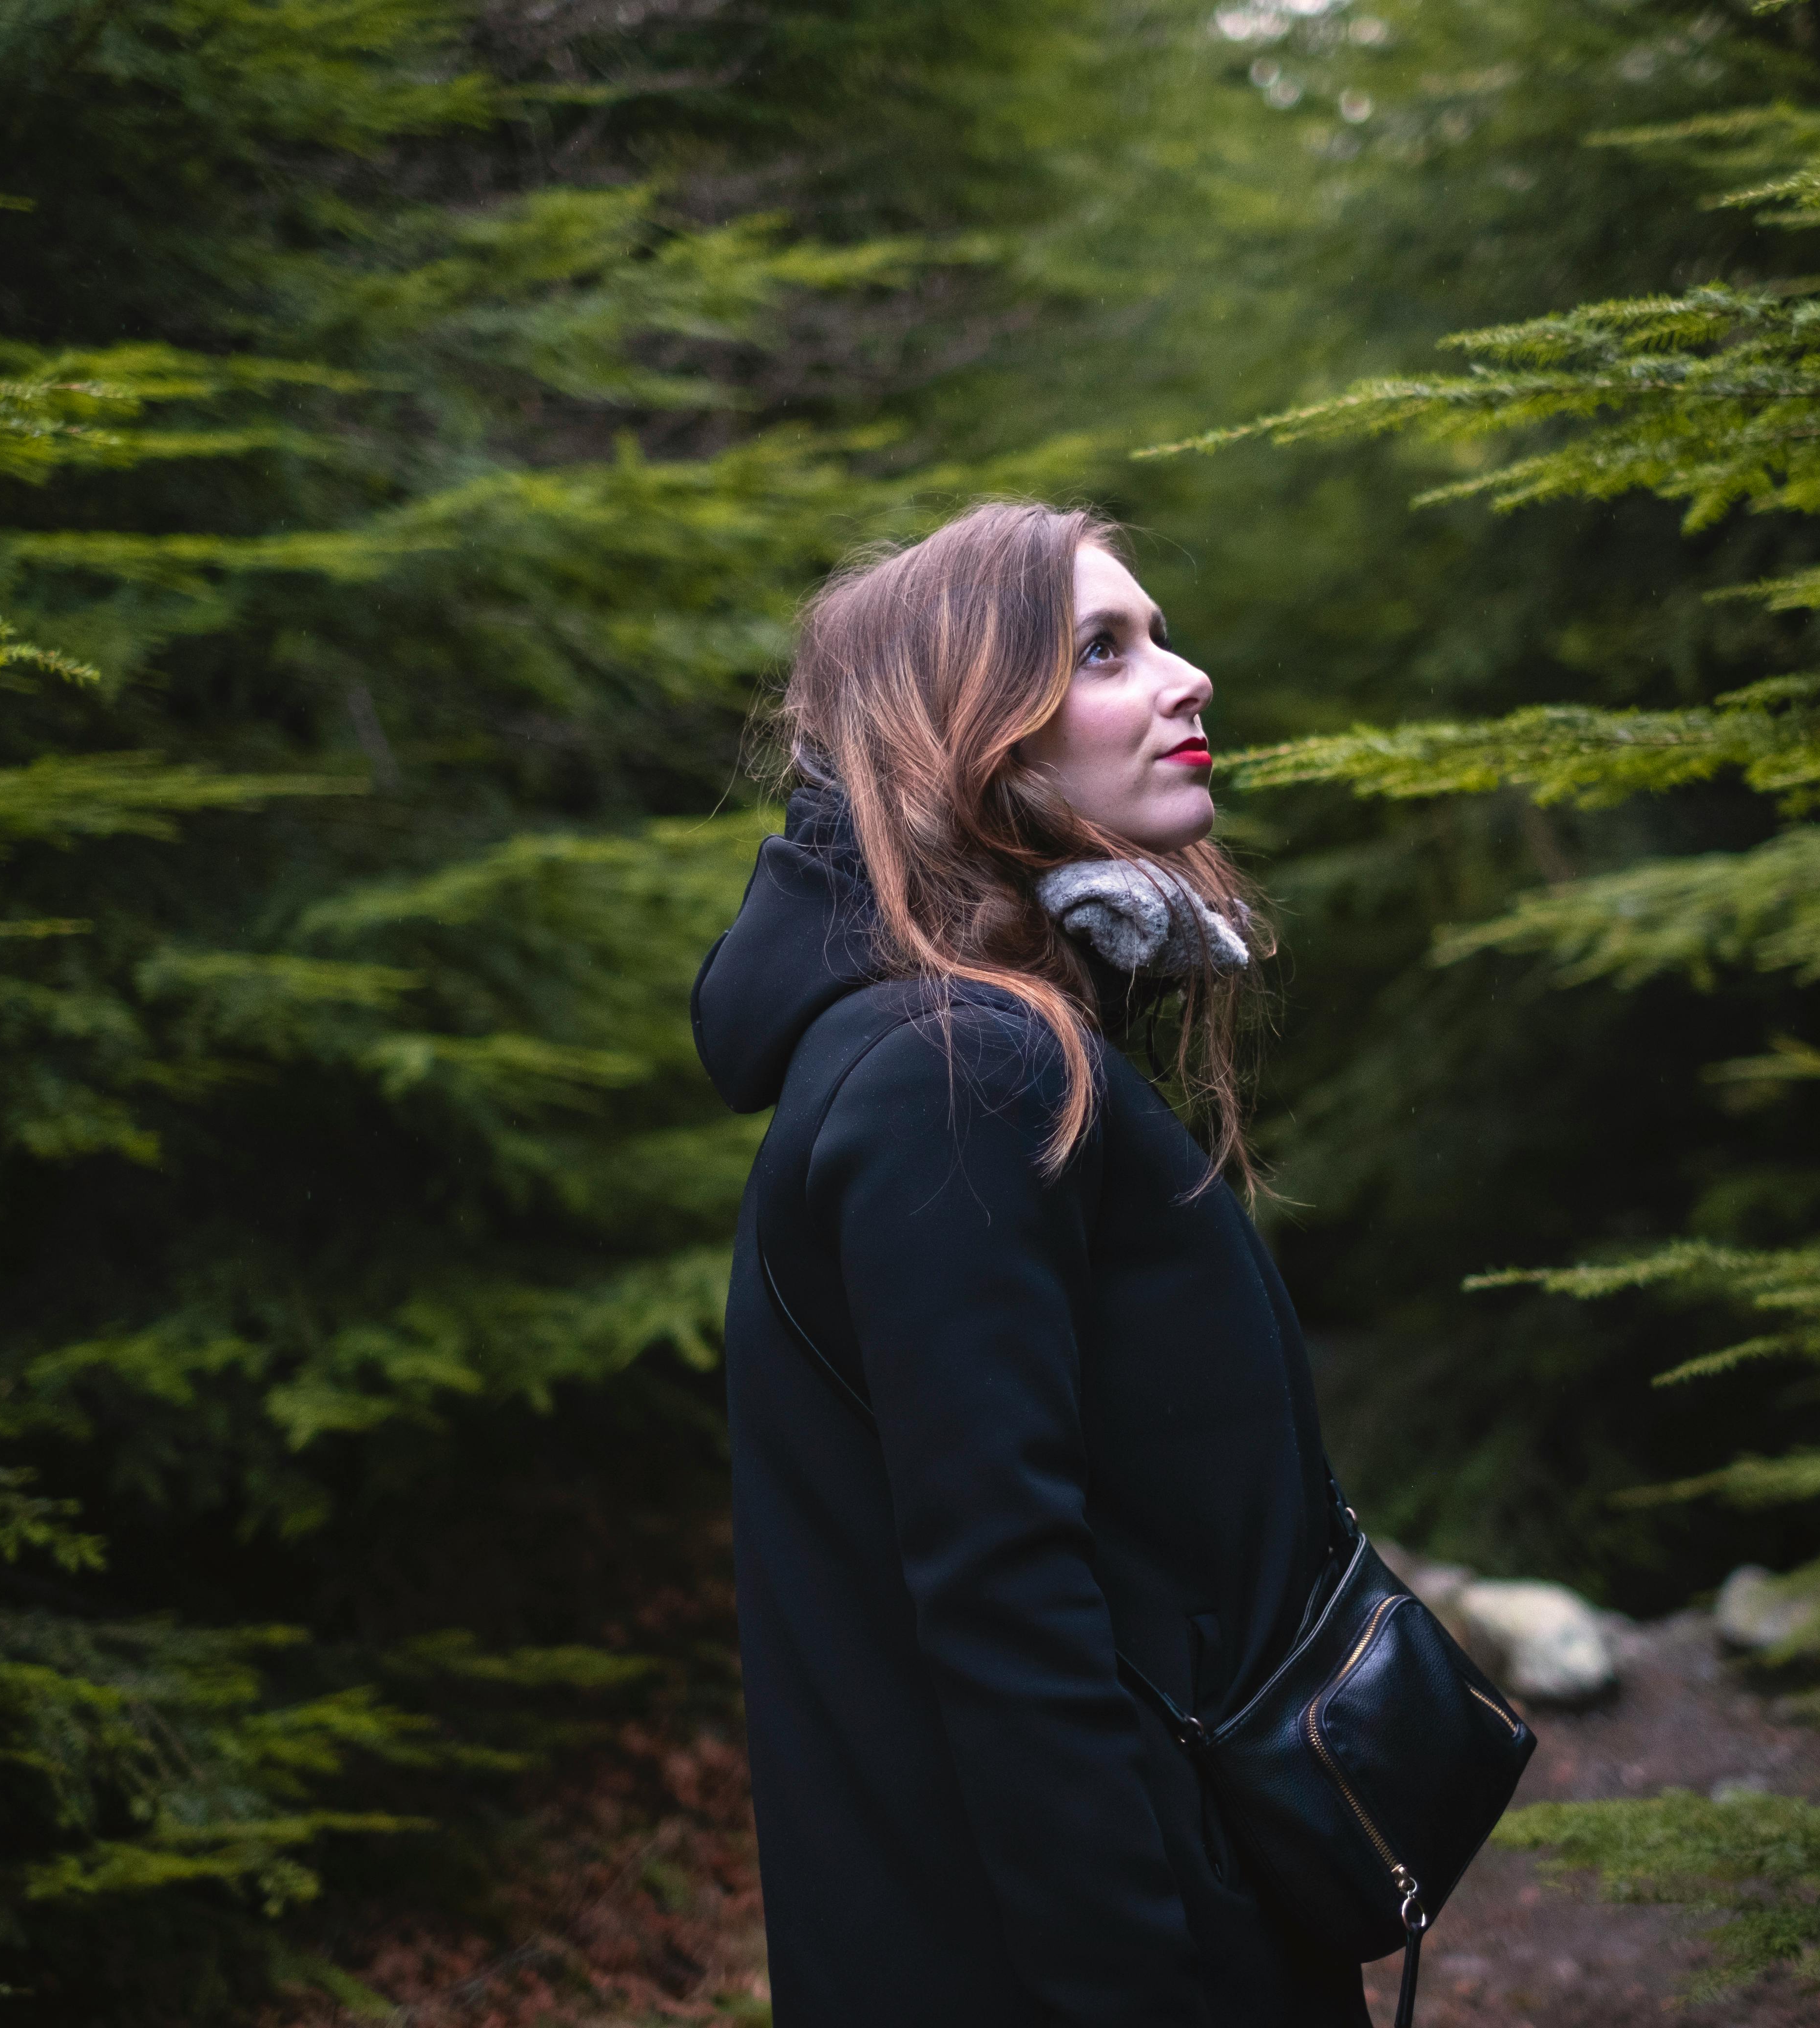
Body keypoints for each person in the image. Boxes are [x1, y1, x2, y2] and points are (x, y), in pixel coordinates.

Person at [691, 501, 1368, 2026]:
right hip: (1076, 1960)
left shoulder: (977, 1039)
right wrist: (1143, 1986)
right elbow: (1005, 1604)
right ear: (974, 737)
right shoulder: (962, 1069)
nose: (1187, 679)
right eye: (1105, 653)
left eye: (1162, 636)